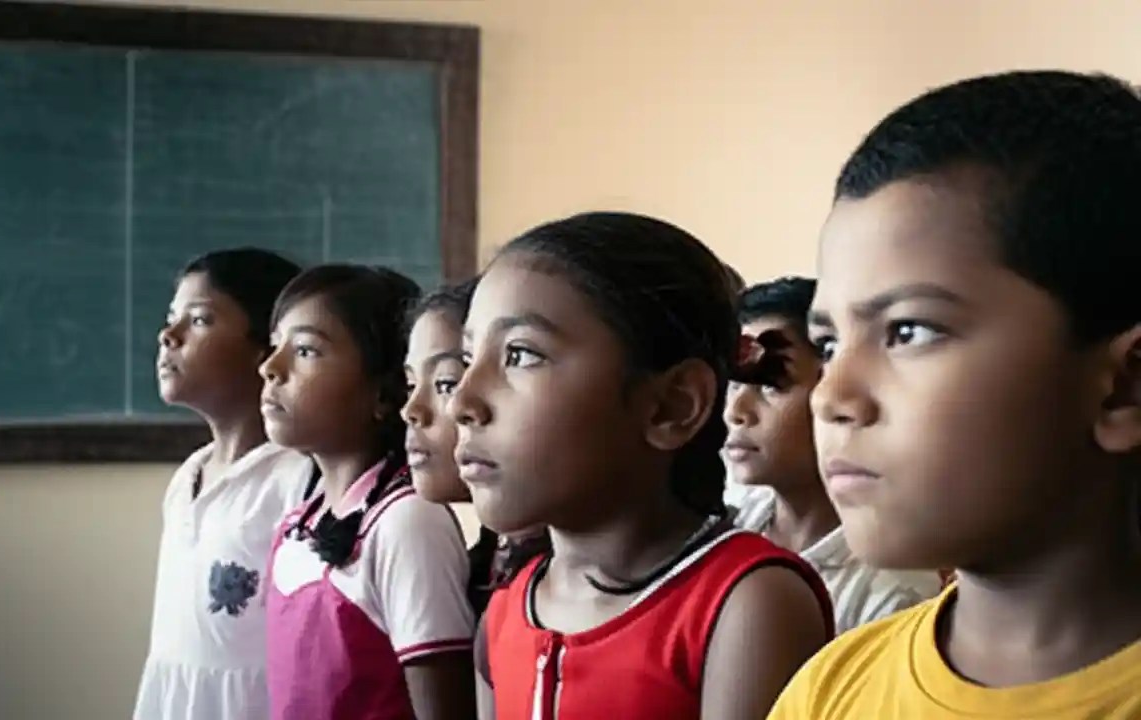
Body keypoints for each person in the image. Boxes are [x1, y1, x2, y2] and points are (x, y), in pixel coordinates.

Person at [769, 71, 1141, 719]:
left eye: (908, 331)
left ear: (1124, 389)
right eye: (829, 344)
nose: (830, 397)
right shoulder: (827, 691)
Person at [454, 212, 834, 720]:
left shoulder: (746, 604)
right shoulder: (507, 610)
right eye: (465, 360)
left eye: (521, 354)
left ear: (671, 406)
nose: (463, 400)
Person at [259, 265, 476, 720]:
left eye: (304, 350)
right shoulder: (297, 524)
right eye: (276, 344)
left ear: (385, 394)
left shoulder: (406, 522)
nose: (270, 367)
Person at [134, 248, 313, 720]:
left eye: (199, 320)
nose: (167, 336)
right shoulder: (186, 479)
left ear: (267, 349)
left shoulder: (297, 479)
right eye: (172, 318)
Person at [725, 277, 941, 633]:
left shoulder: (892, 593)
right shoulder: (728, 519)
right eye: (733, 384)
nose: (737, 410)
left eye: (770, 386)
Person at [401, 279, 550, 616]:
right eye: (410, 384)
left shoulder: (557, 587)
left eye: (445, 383)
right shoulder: (486, 568)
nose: (410, 409)